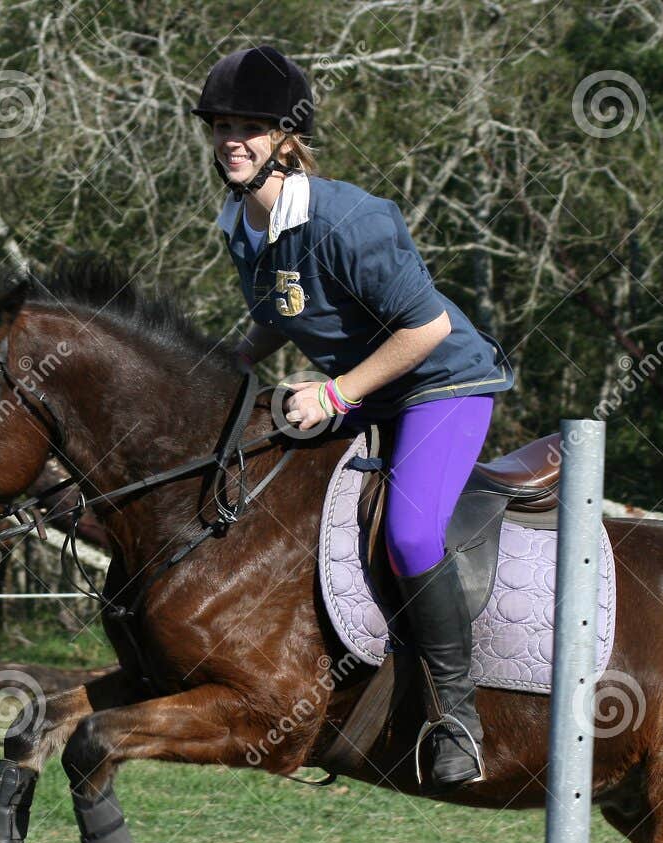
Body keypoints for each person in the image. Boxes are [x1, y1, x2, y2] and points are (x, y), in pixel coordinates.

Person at [193, 45, 515, 788]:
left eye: (251, 126)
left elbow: (426, 330)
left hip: (444, 385)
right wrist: (236, 359)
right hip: (372, 388)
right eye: (221, 126)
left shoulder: (353, 220)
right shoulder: (241, 222)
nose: (231, 140)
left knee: (408, 529)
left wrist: (336, 395)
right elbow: (282, 307)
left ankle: (456, 716)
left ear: (286, 138)